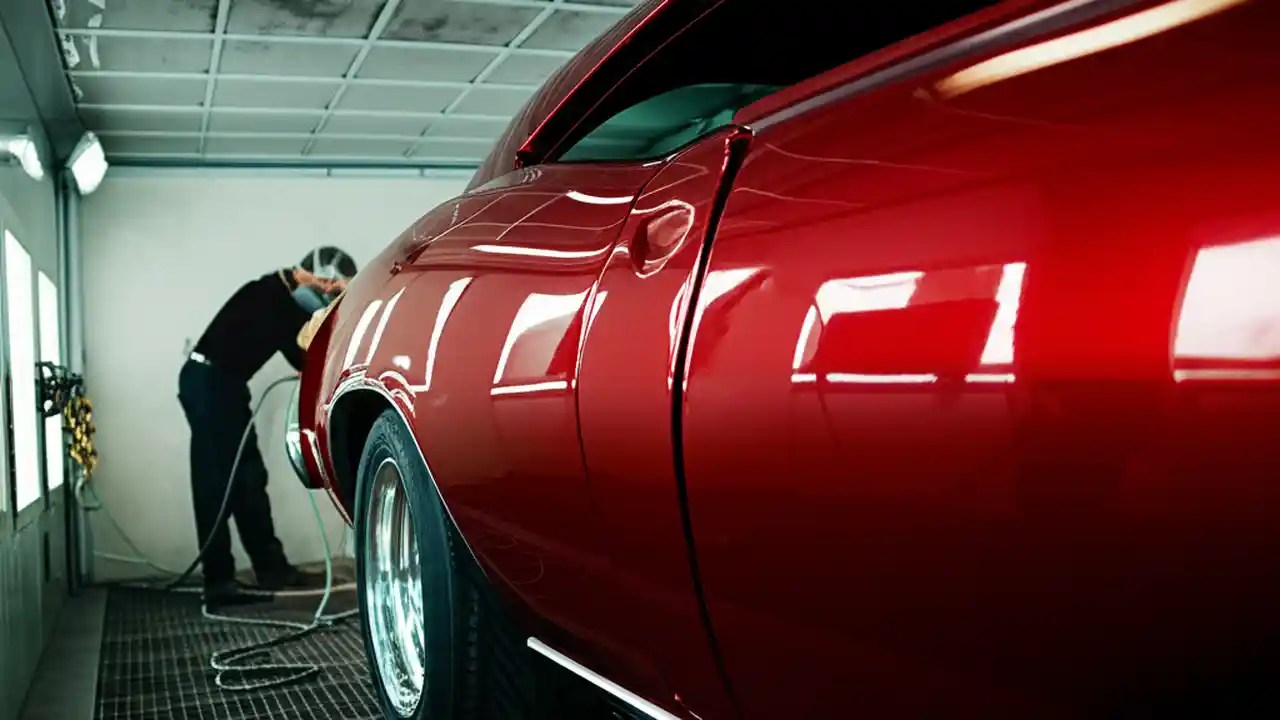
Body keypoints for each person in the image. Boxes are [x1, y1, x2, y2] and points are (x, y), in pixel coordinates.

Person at [179, 247, 356, 606]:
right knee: (216, 484)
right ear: (312, 279)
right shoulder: (270, 294)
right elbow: (303, 353)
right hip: (207, 380)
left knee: (249, 478)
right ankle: (218, 582)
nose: (328, 298)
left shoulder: (286, 311)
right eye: (328, 289)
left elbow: (305, 359)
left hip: (227, 386)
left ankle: (272, 568)